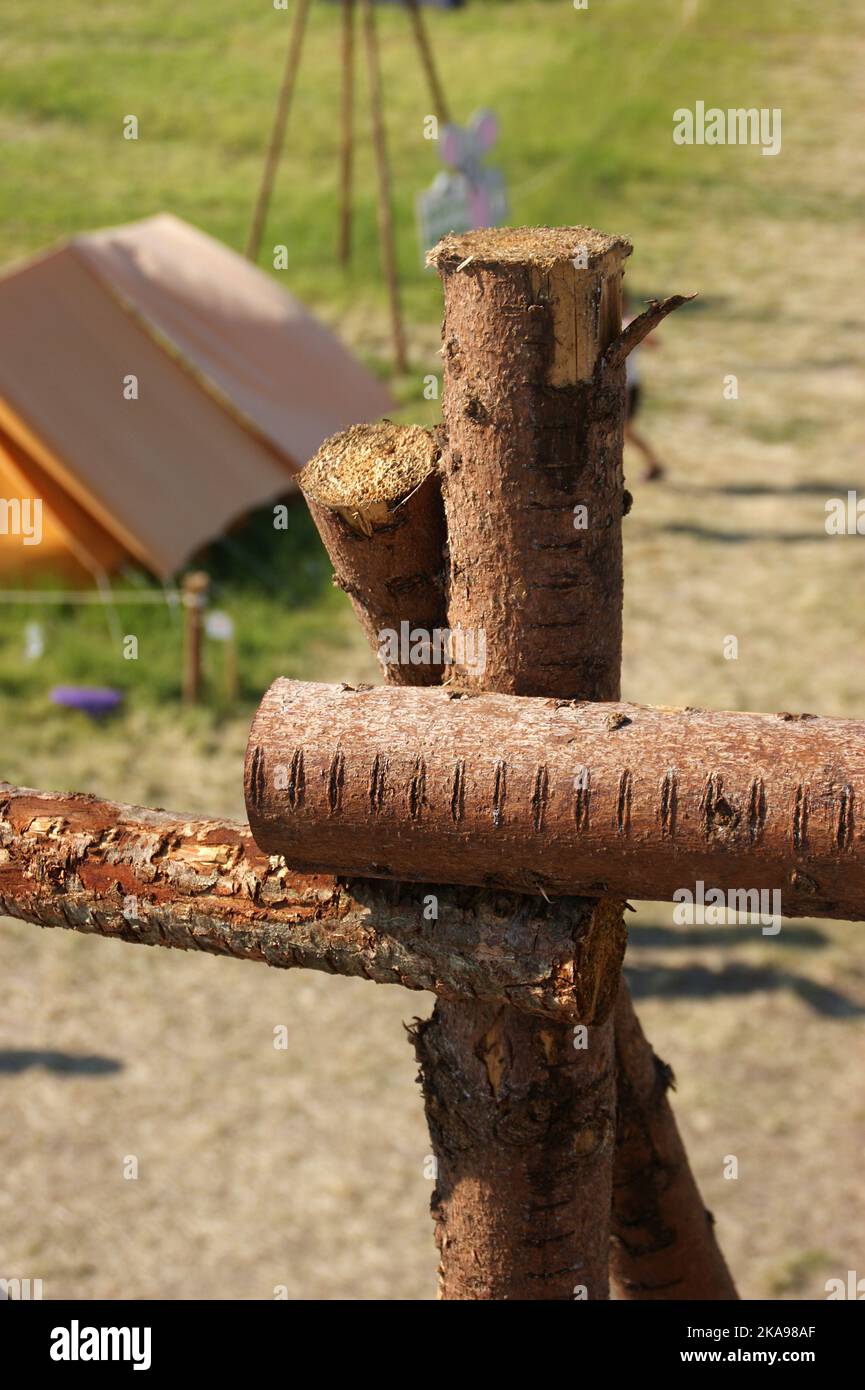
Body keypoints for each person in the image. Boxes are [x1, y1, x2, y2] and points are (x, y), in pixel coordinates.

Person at [624, 293, 665, 482]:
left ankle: (654, 464)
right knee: (625, 432)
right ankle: (654, 464)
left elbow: (654, 342)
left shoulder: (628, 321)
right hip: (623, 385)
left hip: (627, 386)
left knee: (625, 431)